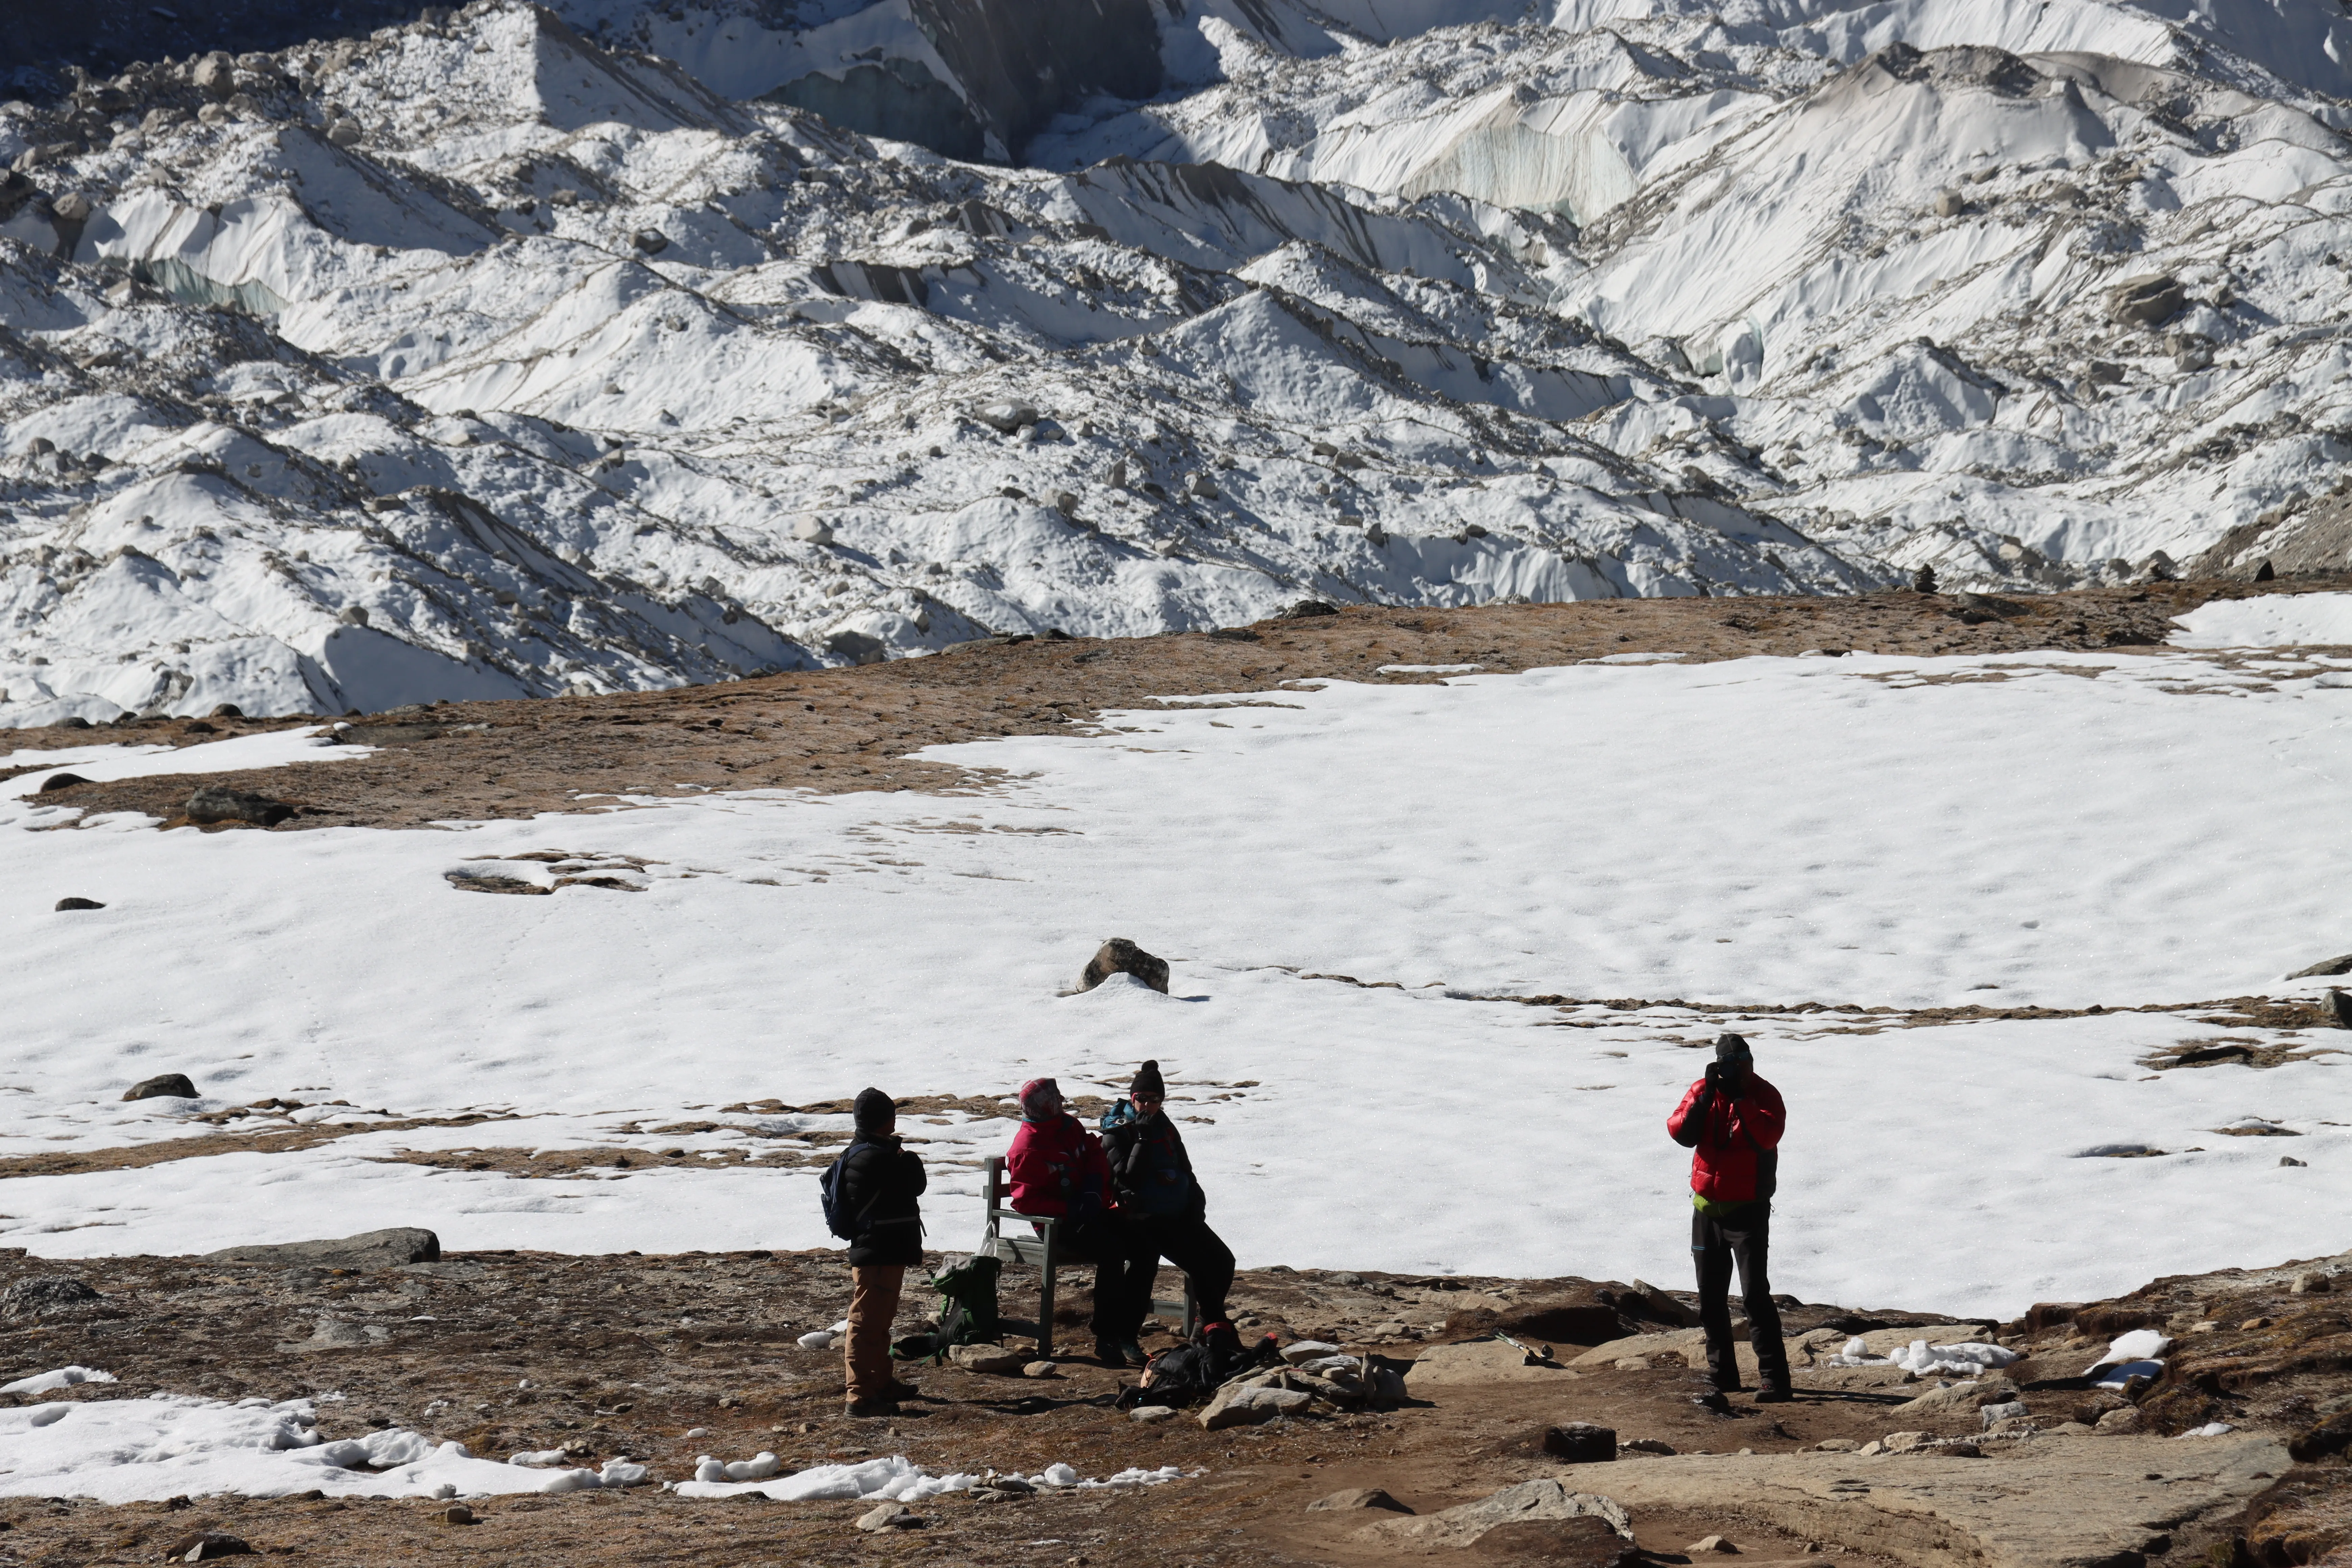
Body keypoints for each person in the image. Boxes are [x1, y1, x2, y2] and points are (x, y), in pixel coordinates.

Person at [1666, 1033, 1792, 1403]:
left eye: (1744, 1062)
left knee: (1755, 1295)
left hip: (1748, 1209)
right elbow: (1680, 1132)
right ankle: (1723, 1376)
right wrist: (1703, 1100)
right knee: (1710, 1298)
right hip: (1707, 1209)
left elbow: (1768, 1137)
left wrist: (1743, 1101)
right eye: (1731, 1063)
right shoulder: (1703, 1089)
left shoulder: (1765, 1096)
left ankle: (1774, 1380)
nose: (1738, 1069)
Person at [1099, 1058, 1235, 1368]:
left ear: (1163, 1101)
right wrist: (1143, 1141)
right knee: (1148, 1265)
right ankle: (1127, 1338)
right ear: (1132, 1098)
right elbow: (1125, 1179)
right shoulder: (1117, 1131)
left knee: (1223, 1260)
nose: (1147, 1105)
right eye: (1141, 1098)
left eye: (1154, 1099)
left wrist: (1195, 1198)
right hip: (1137, 1219)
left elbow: (1184, 1168)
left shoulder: (1166, 1127)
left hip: (1174, 1215)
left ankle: (1207, 1327)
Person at [1004, 1077, 1131, 1364]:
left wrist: (1094, 1185)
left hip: (1086, 1214)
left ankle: (1127, 1330)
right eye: (1053, 1100)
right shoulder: (1028, 1146)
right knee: (1114, 1250)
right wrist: (1070, 1208)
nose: (1059, 1102)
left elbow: (1093, 1153)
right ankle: (1106, 1335)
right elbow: (1026, 1200)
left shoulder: (1067, 1126)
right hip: (1056, 1227)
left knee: (1141, 1236)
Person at [835, 1086, 927, 1416]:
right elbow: (915, 1182)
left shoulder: (861, 1151)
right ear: (884, 1119)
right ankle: (859, 1395)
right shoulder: (876, 1156)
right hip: (878, 1251)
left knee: (879, 1320)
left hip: (879, 1249)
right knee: (865, 1322)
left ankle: (881, 1382)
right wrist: (906, 1156)